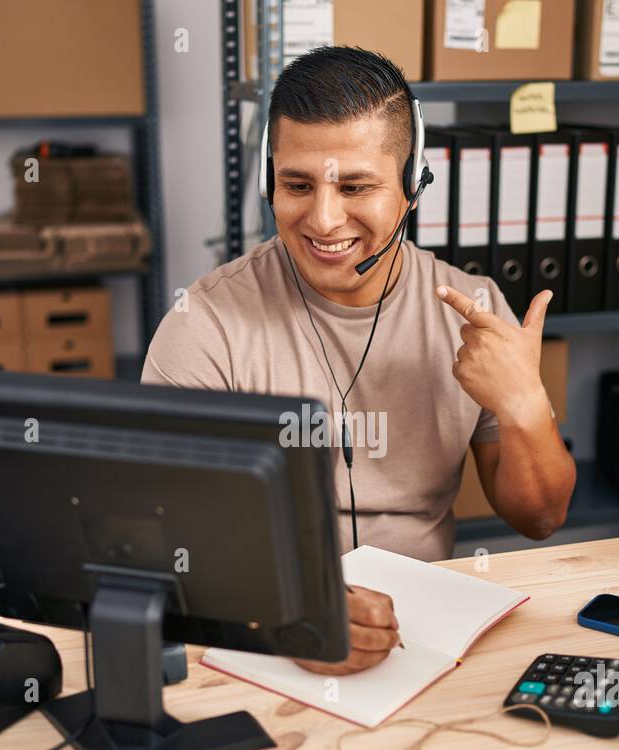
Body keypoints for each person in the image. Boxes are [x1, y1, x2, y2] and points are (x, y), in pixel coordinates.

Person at [143, 47, 576, 674]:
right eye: (297, 185)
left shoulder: (474, 310)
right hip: (259, 622)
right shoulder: (204, 322)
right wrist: (292, 616)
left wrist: (524, 405)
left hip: (427, 626)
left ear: (411, 188)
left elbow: (539, 519)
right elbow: (167, 536)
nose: (322, 219)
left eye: (355, 186)